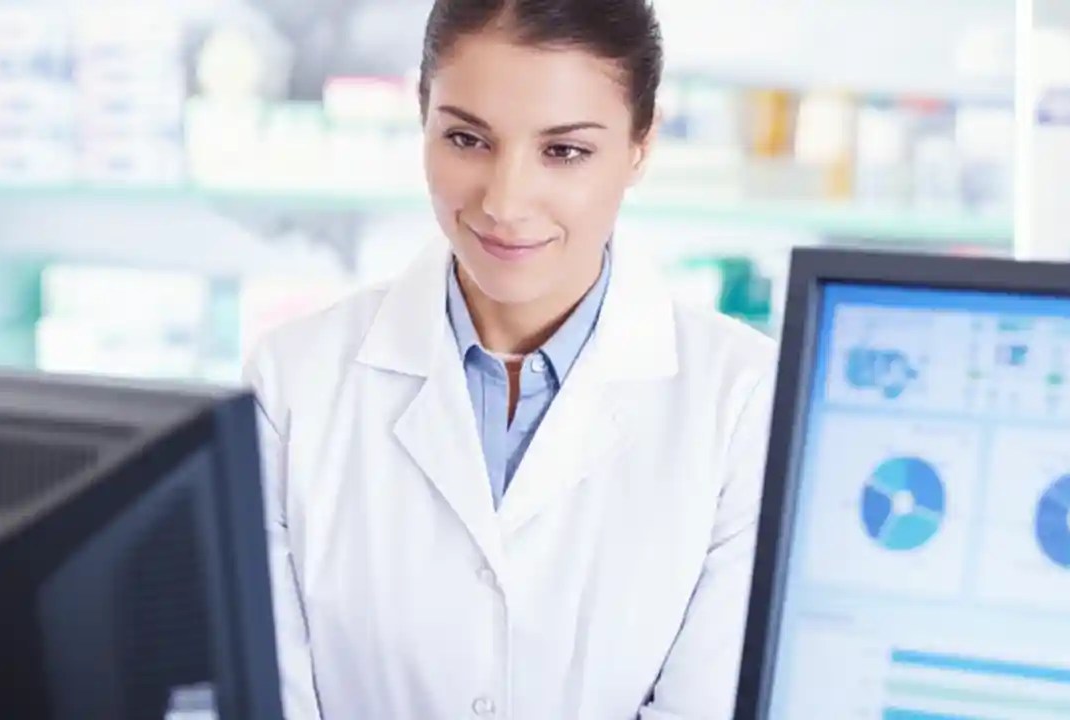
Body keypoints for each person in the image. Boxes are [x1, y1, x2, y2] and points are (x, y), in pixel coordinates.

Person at [244, 1, 777, 717]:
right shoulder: (292, 383)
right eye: (467, 139)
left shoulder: (743, 403)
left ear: (641, 146)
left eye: (564, 152)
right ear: (422, 117)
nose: (505, 201)